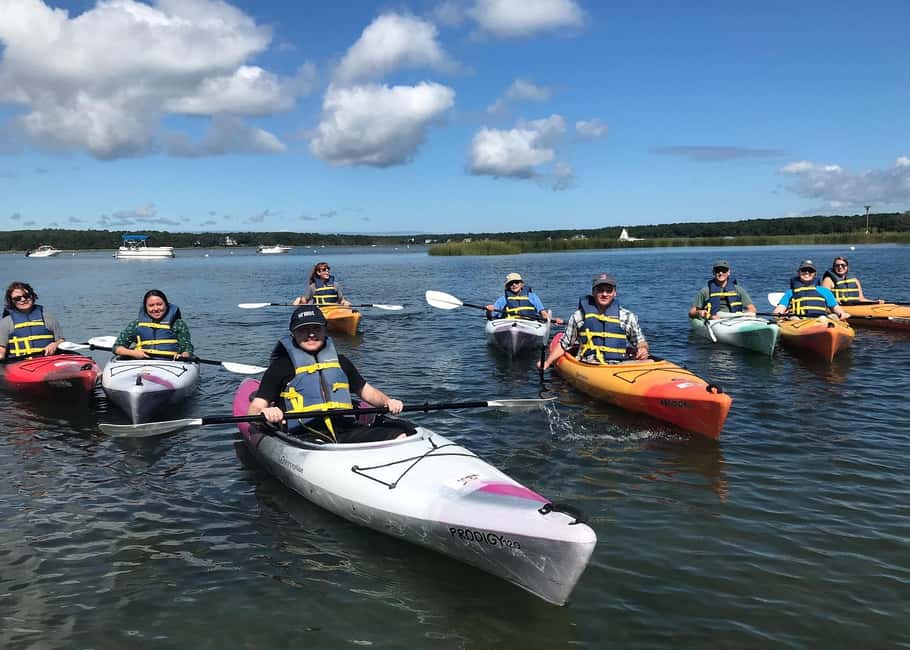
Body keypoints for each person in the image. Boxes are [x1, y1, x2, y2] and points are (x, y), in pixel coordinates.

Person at [248, 305, 410, 443]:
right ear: (293, 333)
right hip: (305, 434)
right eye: (303, 330)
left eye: (316, 328)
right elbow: (255, 408)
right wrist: (264, 412)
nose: (311, 334)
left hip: (346, 429)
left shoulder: (341, 362)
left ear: (325, 330)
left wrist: (388, 401)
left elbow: (366, 391)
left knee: (401, 433)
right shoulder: (280, 367)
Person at [540, 273, 649, 370]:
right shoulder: (579, 316)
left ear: (615, 293)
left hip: (619, 365)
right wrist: (547, 362)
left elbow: (640, 341)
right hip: (589, 365)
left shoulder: (628, 317)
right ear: (593, 292)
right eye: (600, 290)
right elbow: (565, 344)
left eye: (609, 290)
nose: (604, 294)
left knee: (650, 361)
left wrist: (642, 349)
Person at [112, 289, 194, 359]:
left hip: (172, 363)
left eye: (159, 304)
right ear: (145, 307)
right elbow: (117, 347)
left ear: (166, 305)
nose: (156, 309)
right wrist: (134, 353)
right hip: (142, 363)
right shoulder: (136, 324)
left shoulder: (178, 324)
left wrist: (183, 356)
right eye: (151, 305)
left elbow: (187, 348)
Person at [0, 281, 65, 361]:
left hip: (48, 362)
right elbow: (1, 350)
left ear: (32, 296)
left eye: (26, 296)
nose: (23, 299)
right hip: (19, 364)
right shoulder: (5, 323)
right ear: (12, 301)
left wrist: (55, 344)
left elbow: (61, 341)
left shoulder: (49, 318)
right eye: (17, 298)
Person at [773, 260, 850, 319]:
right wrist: (779, 315)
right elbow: (779, 309)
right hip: (798, 322)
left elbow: (836, 308)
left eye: (810, 271)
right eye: (804, 270)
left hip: (820, 320)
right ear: (798, 273)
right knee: (794, 318)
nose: (807, 272)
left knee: (830, 317)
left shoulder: (824, 291)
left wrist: (842, 314)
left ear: (815, 274)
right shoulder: (790, 293)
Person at [688, 259, 757, 319]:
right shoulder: (705, 291)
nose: (720, 273)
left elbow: (752, 308)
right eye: (718, 270)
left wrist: (747, 315)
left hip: (735, 319)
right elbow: (692, 312)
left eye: (724, 270)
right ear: (713, 272)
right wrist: (700, 313)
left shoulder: (739, 290)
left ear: (729, 272)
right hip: (714, 319)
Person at [485, 272, 563, 324]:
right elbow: (490, 317)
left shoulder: (532, 297)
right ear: (508, 286)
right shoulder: (503, 299)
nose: (514, 285)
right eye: (511, 283)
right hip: (509, 324)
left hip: (530, 324)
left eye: (516, 282)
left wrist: (554, 320)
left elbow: (543, 314)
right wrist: (489, 311)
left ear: (522, 284)